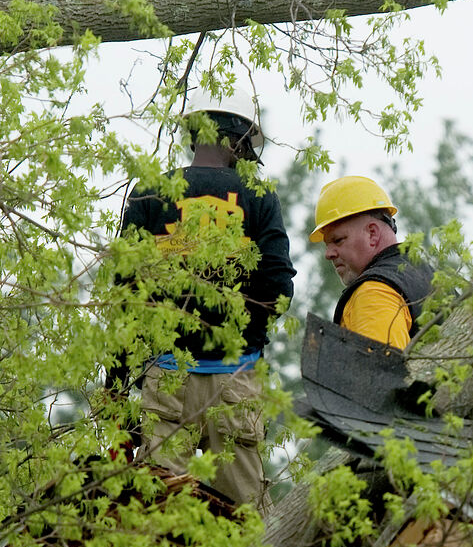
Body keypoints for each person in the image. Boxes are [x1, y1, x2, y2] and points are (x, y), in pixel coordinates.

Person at [117, 90, 294, 507]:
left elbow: (125, 296)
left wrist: (117, 389)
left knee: (155, 513)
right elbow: (278, 288)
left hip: (167, 378)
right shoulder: (258, 195)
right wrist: (249, 344)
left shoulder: (150, 191)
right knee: (248, 520)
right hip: (235, 380)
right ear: (239, 141)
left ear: (194, 135)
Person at [308, 175, 432, 349]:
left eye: (338, 240)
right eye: (327, 245)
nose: (328, 254)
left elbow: (381, 366)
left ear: (372, 234)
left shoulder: (374, 292)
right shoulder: (432, 278)